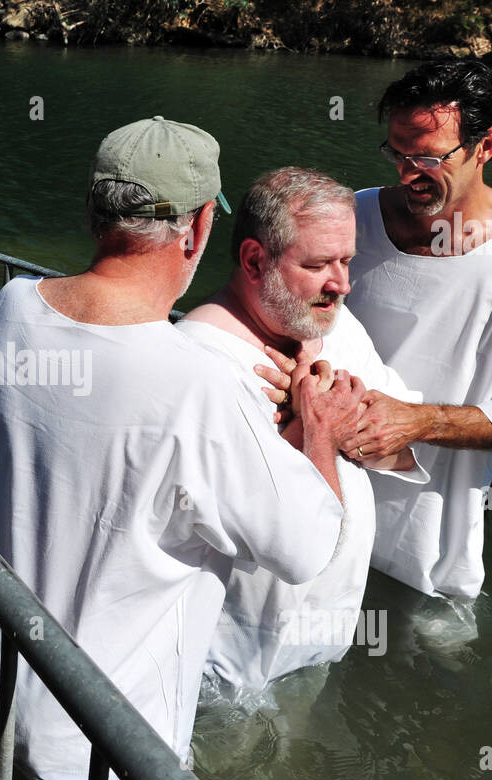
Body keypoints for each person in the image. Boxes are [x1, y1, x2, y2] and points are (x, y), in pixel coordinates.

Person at [0, 117, 366, 780]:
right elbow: (305, 548)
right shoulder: (196, 381)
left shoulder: (9, 308)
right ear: (199, 230)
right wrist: (316, 430)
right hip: (104, 740)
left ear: (94, 210)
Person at [343, 60, 492, 599]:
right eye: (397, 153)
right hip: (321, 505)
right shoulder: (353, 214)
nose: (408, 173)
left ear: (486, 145)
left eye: (428, 157)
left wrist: (414, 421)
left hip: (427, 541)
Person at [177, 167, 425, 697]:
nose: (342, 284)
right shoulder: (201, 358)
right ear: (253, 260)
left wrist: (337, 423)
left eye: (347, 261)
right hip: (225, 656)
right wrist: (313, 429)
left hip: (322, 632)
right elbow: (255, 522)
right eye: (317, 265)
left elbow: (404, 451)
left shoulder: (336, 325)